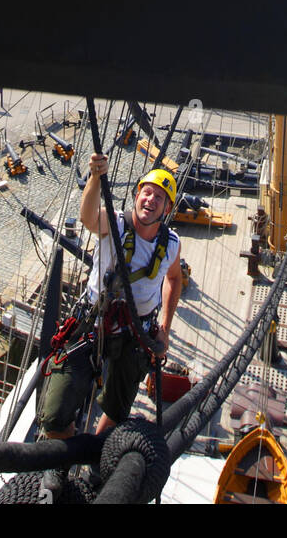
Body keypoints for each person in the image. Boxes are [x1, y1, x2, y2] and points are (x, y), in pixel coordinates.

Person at [37, 155, 183, 438]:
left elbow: (174, 279)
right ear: (137, 196)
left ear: (166, 209)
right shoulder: (115, 224)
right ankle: (65, 461)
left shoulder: (171, 244)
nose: (150, 200)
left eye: (159, 198)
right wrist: (94, 177)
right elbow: (88, 217)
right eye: (147, 193)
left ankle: (95, 453)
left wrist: (164, 328)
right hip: (92, 323)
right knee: (54, 416)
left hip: (134, 333)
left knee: (117, 410)